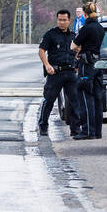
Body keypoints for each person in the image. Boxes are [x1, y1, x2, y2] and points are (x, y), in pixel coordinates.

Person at [37, 9, 80, 137]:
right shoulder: (51, 34)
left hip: (70, 73)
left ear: (69, 21)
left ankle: (75, 129)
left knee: (74, 101)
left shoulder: (73, 36)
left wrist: (77, 62)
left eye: (64, 20)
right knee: (49, 100)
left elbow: (79, 49)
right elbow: (41, 50)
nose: (61, 22)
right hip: (55, 73)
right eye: (59, 20)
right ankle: (43, 125)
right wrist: (47, 65)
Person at [71, 1, 106, 141]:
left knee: (85, 96)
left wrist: (79, 49)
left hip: (87, 64)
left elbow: (73, 45)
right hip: (98, 64)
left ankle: (87, 131)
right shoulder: (100, 28)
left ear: (84, 14)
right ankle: (97, 131)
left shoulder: (86, 28)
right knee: (97, 98)